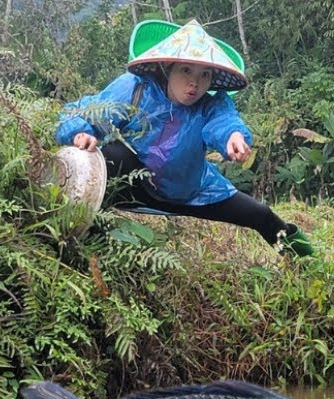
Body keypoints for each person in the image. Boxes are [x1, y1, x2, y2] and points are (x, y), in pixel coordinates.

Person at [54, 19, 313, 257]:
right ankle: (72, 240)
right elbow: (81, 112)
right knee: (109, 155)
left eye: (204, 75)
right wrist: (81, 133)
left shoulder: (211, 105)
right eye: (186, 70)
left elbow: (224, 122)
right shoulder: (136, 88)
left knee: (262, 215)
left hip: (194, 192)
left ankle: (306, 262)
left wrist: (233, 137)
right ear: (168, 68)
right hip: (137, 185)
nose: (195, 83)